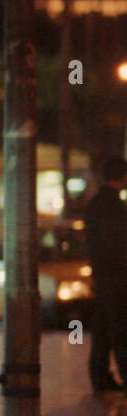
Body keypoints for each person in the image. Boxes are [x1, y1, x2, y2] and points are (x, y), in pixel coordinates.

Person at [84, 156, 127, 393]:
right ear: (122, 176)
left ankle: (100, 376)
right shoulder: (116, 207)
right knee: (120, 330)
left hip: (101, 276)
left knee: (102, 330)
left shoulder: (94, 204)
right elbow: (119, 244)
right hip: (117, 277)